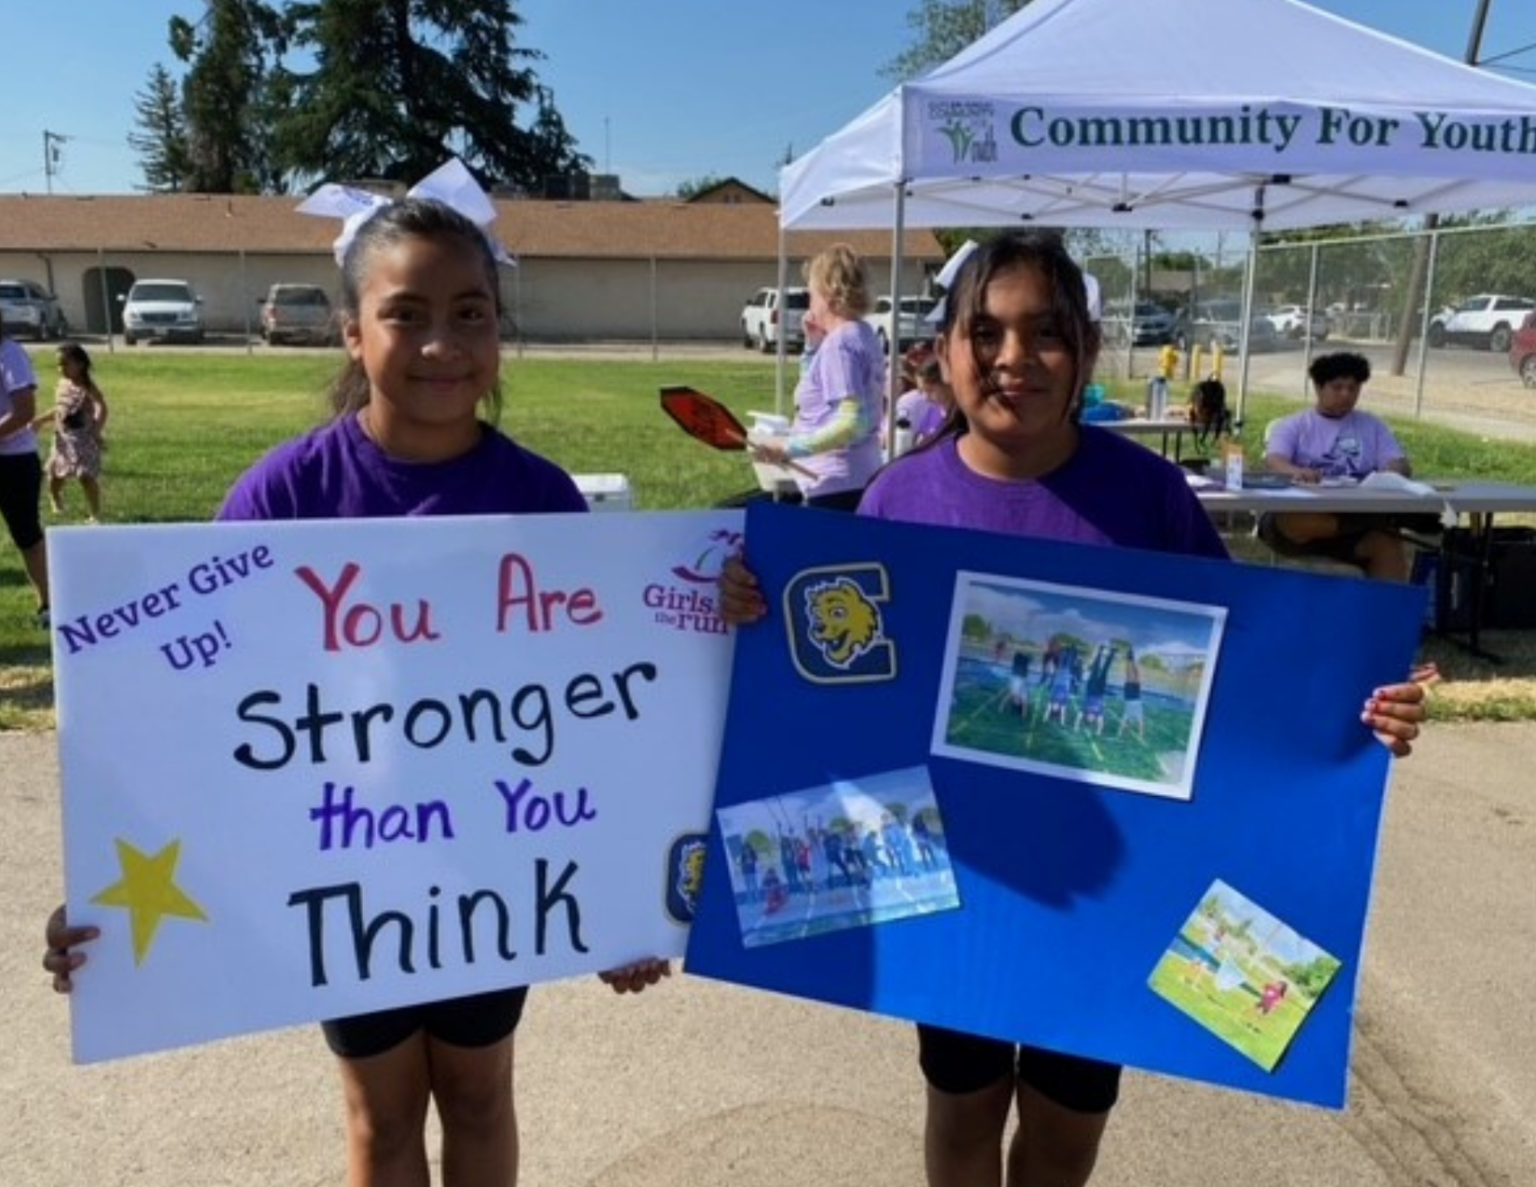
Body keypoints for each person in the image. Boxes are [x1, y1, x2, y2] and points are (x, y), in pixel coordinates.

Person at [717, 231, 1431, 1187]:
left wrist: (1362, 705)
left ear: (1088, 350)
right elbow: (830, 669)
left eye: (1046, 333)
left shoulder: (1146, 495)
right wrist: (749, 609)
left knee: (1065, 1128)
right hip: (967, 880)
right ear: (944, 352)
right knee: (962, 1111)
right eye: (988, 332)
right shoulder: (901, 497)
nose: (1015, 358)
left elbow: (1248, 666)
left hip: (1115, 887)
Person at [42, 185, 668, 1187]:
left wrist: (627, 894)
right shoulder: (283, 496)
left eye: (470, 311)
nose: (441, 342)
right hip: (337, 864)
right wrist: (98, 883)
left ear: (499, 328)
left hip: (495, 863)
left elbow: (609, 699)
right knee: (379, 1123)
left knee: (479, 1094)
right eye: (405, 313)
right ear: (349, 330)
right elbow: (180, 696)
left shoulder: (541, 498)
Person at [1258, 351, 1432, 582]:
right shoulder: (1293, 425)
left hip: (1353, 523)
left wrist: (1395, 470)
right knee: (1304, 518)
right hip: (1297, 526)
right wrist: (1296, 472)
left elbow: (1396, 463)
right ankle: (1368, 523)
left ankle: (1386, 615)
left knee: (1388, 544)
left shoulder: (1373, 426)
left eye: (1353, 388)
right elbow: (1274, 461)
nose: (1346, 394)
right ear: (1319, 388)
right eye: (1337, 387)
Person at [751, 244, 885, 510]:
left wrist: (787, 448)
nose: (809, 302)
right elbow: (813, 401)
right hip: (859, 476)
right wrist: (812, 347)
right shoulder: (862, 332)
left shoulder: (840, 344)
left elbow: (851, 424)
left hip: (835, 485)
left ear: (830, 295)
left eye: (811, 294)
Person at [0, 313, 49, 626]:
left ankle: (48, 603)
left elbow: (24, 410)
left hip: (13, 462)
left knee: (26, 535)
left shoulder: (10, 354)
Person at [32, 342, 108, 521]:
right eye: (59, 364)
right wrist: (41, 420)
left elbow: (102, 407)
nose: (61, 368)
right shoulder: (62, 384)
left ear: (80, 365)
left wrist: (96, 430)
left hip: (84, 439)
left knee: (85, 475)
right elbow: (59, 410)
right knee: (56, 475)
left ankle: (94, 513)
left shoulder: (87, 387)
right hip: (63, 440)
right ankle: (55, 496)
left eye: (65, 364)